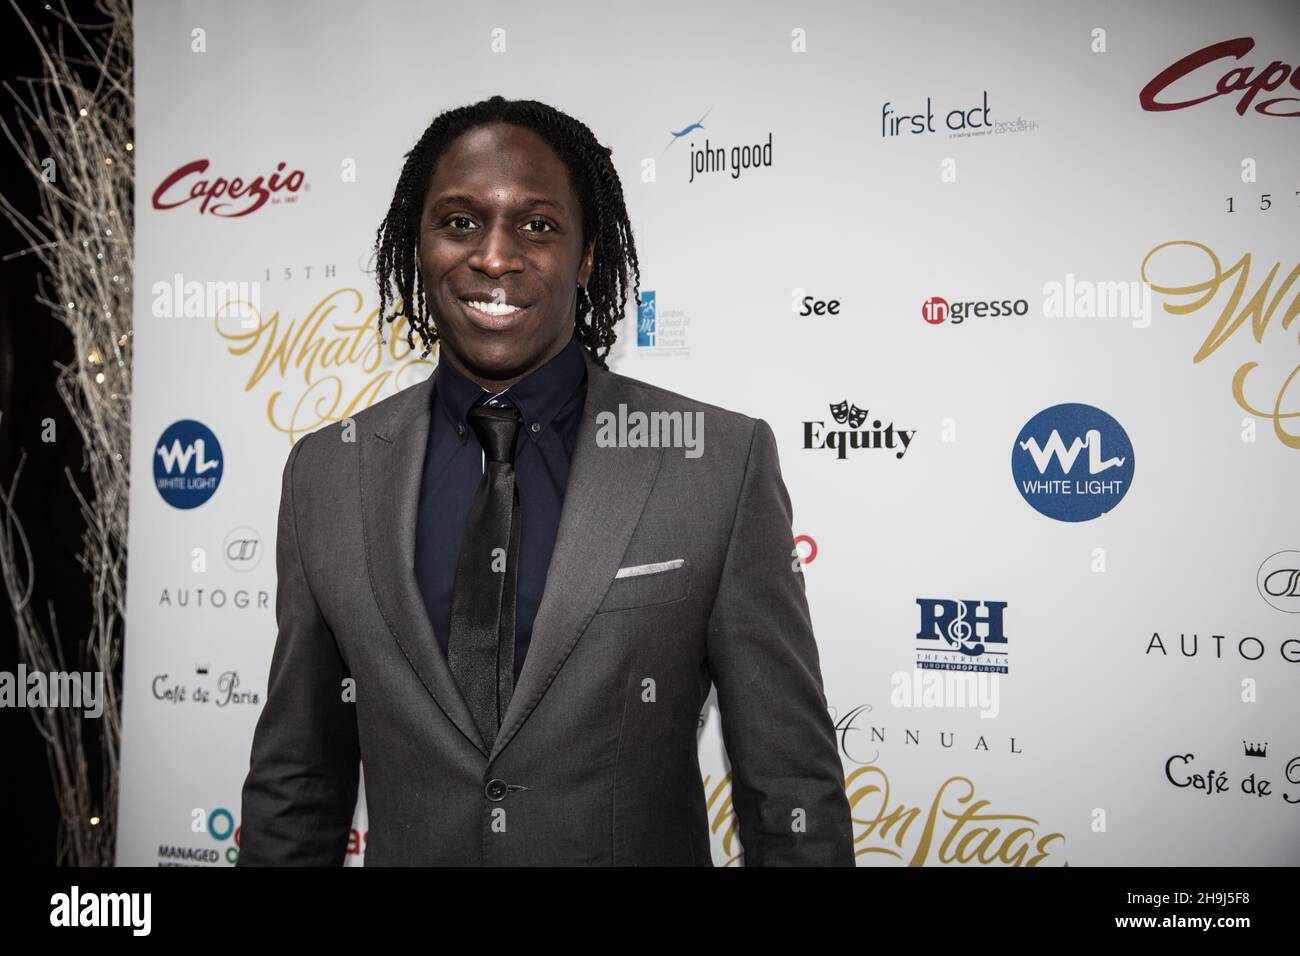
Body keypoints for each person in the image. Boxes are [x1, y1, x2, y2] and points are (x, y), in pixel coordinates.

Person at [237, 95, 854, 865]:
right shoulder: (326, 472)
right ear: (416, 243)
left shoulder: (715, 462)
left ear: (588, 256)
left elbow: (788, 785)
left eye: (537, 225)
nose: (495, 257)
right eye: (459, 222)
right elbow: (298, 780)